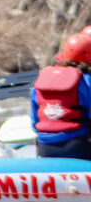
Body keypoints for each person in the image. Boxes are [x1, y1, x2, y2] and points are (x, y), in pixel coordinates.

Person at [32, 31, 91, 160]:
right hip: (78, 147)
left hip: (45, 148)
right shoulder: (87, 81)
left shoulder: (40, 80)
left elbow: (34, 121)